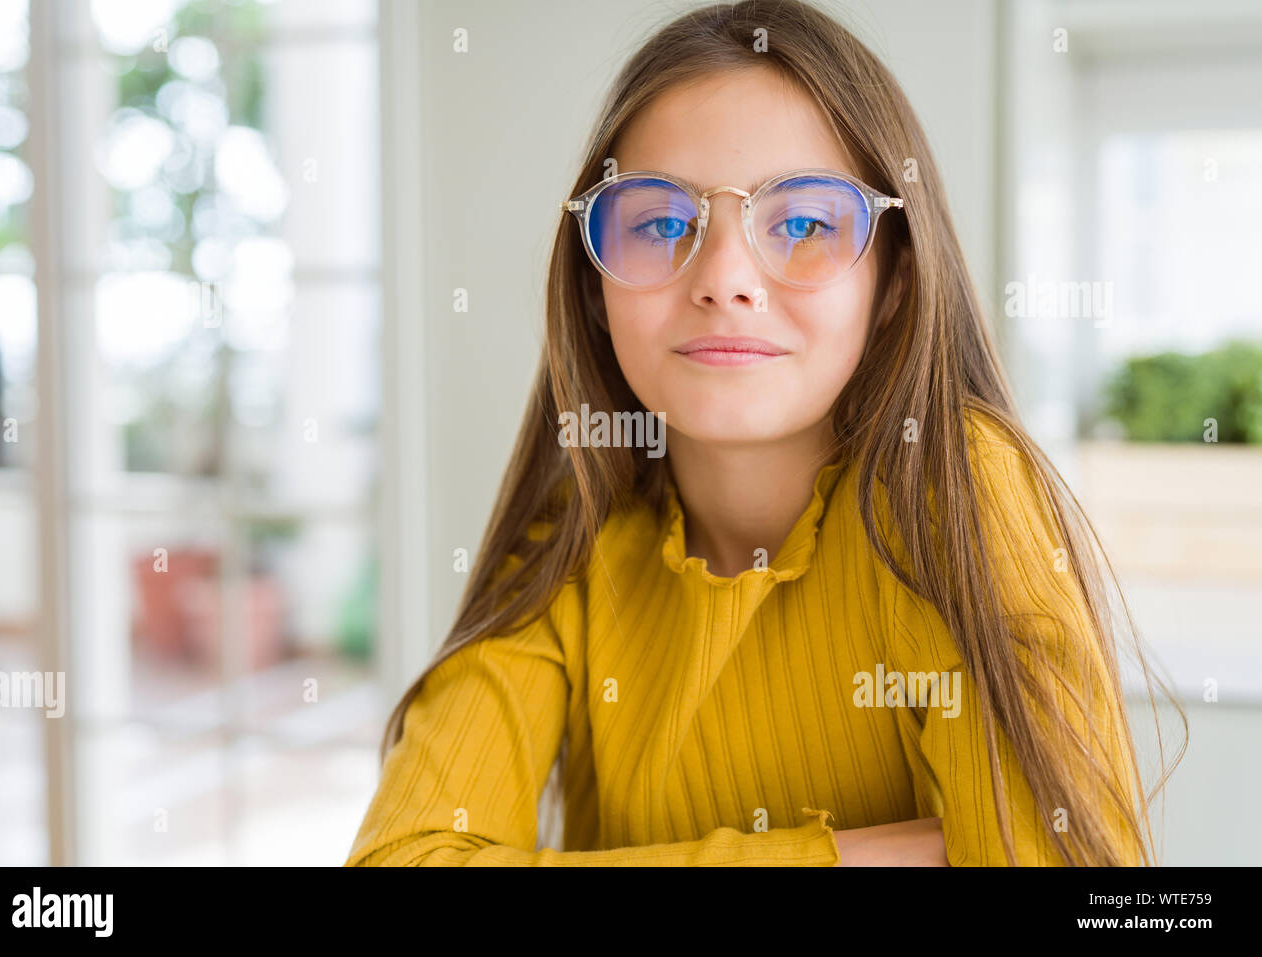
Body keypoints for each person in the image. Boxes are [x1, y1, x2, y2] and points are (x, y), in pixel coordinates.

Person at [345, 0, 1183, 866]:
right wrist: (865, 856)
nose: (726, 279)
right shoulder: (568, 539)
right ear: (595, 286)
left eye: (807, 224)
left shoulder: (960, 491)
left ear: (894, 277)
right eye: (663, 223)